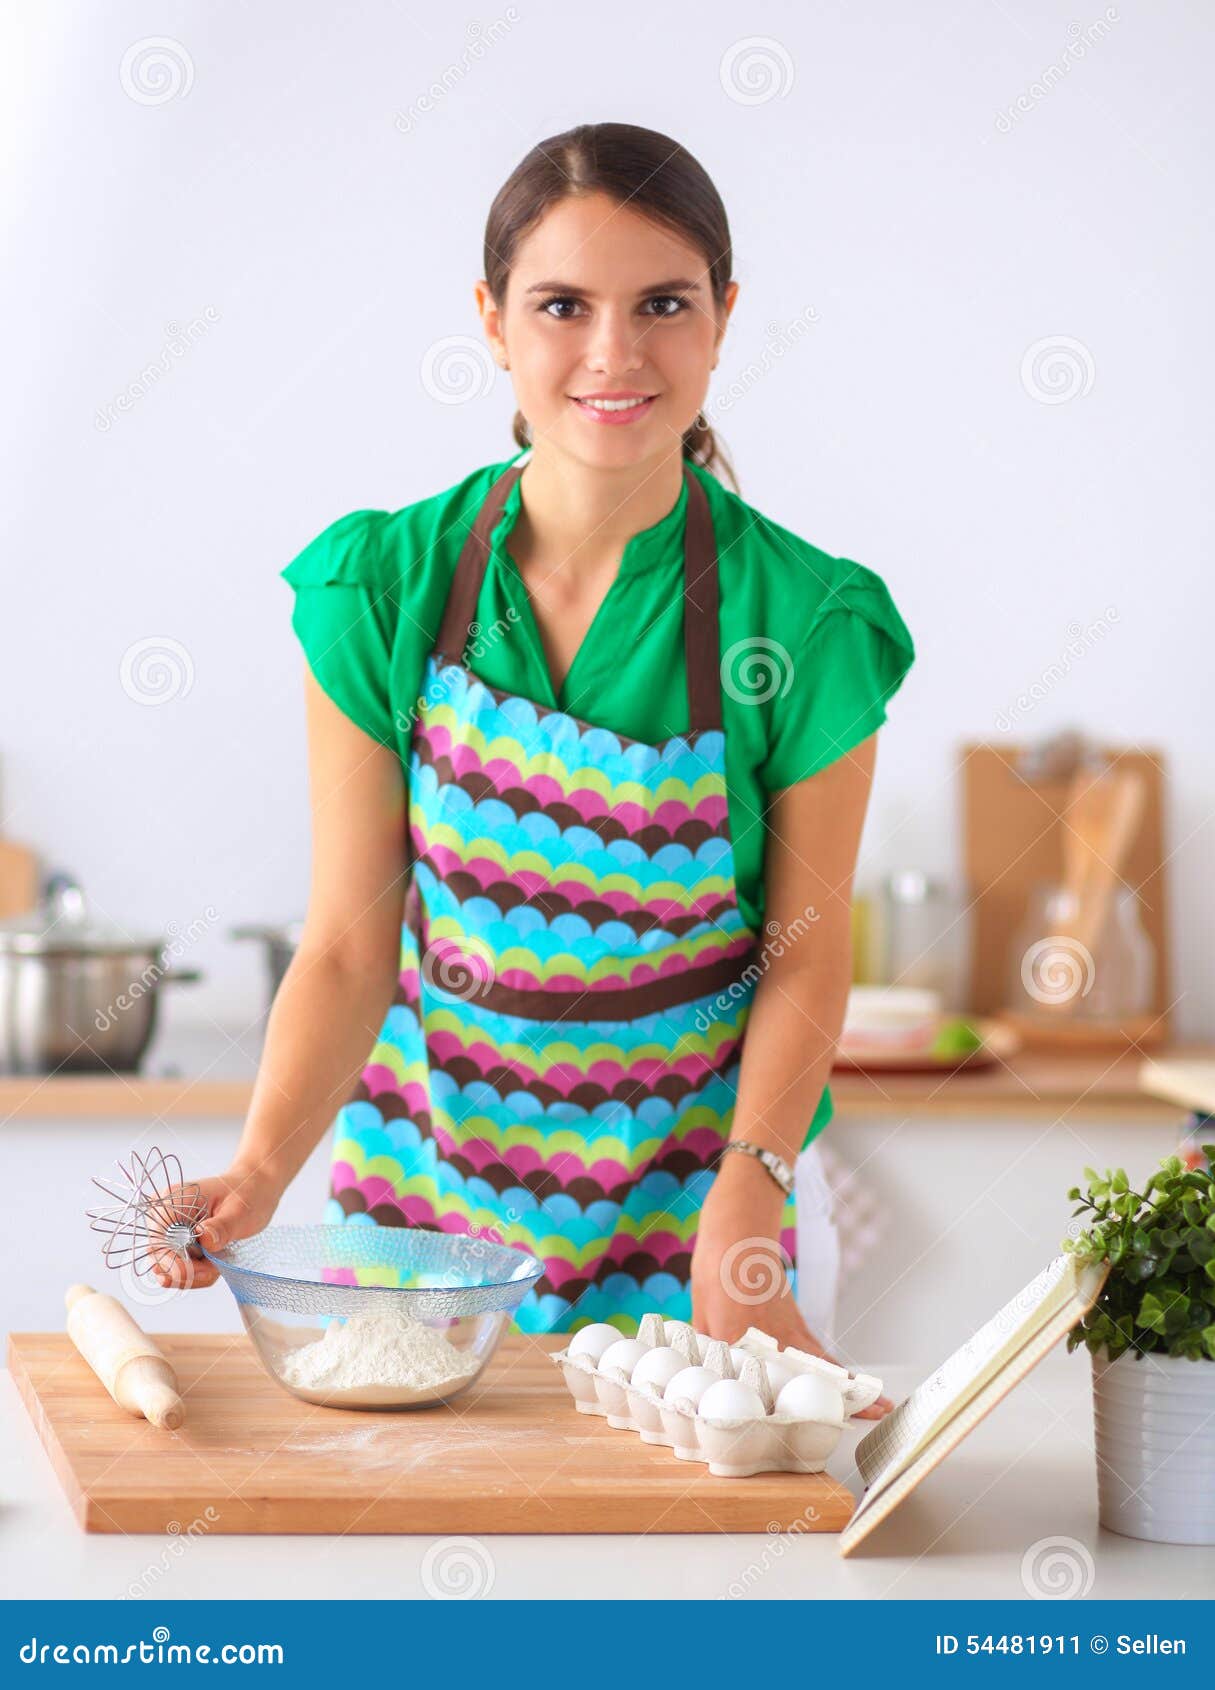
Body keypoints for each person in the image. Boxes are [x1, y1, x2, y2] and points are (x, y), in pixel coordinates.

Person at [162, 123, 913, 1414]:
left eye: (664, 304)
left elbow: (804, 946)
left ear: (724, 320)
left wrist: (753, 1188)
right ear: (494, 323)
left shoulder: (803, 619)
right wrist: (262, 1165)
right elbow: (347, 943)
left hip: (706, 1202)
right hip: (426, 1212)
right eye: (563, 306)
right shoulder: (386, 588)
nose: (615, 354)